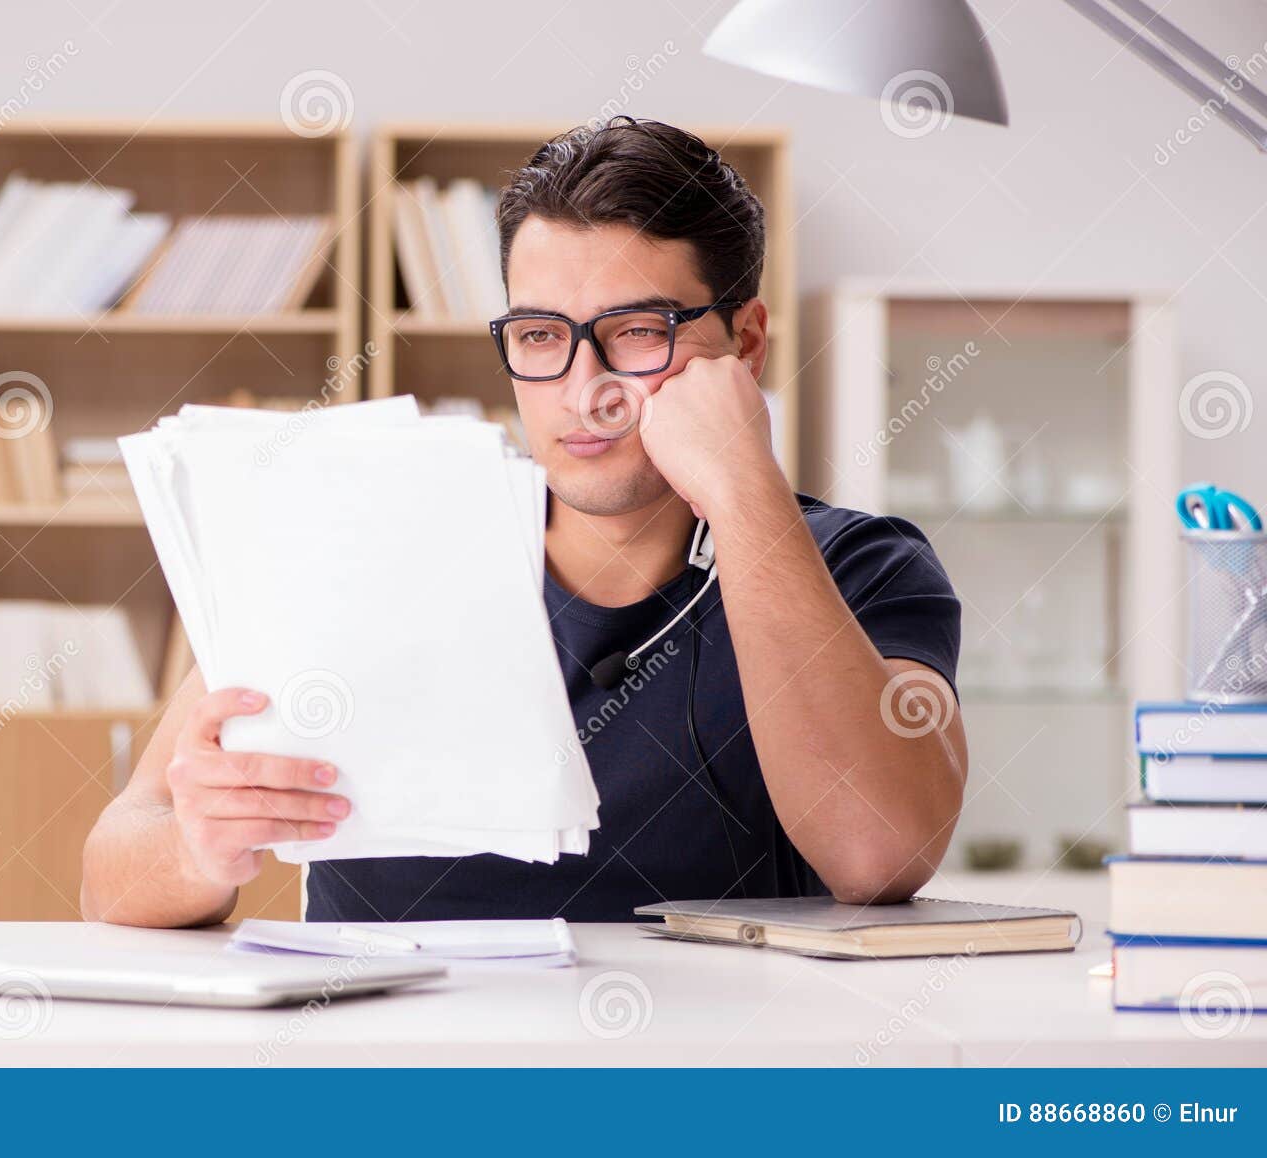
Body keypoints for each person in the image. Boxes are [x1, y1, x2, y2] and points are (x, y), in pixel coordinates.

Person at [81, 116, 967, 927]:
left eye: (636, 331)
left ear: (744, 343)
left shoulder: (858, 567)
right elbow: (113, 866)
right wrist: (197, 848)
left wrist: (742, 488)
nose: (586, 392)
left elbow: (879, 854)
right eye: (542, 336)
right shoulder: (372, 543)